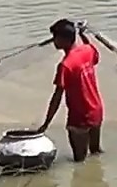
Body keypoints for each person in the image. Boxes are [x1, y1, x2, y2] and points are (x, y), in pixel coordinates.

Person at [37, 18, 104, 162]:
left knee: (79, 162)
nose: (53, 41)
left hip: (80, 117)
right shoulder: (88, 50)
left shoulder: (65, 65)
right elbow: (93, 54)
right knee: (95, 153)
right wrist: (83, 35)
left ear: (63, 39)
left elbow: (57, 97)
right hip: (96, 111)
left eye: (55, 37)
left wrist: (46, 124)